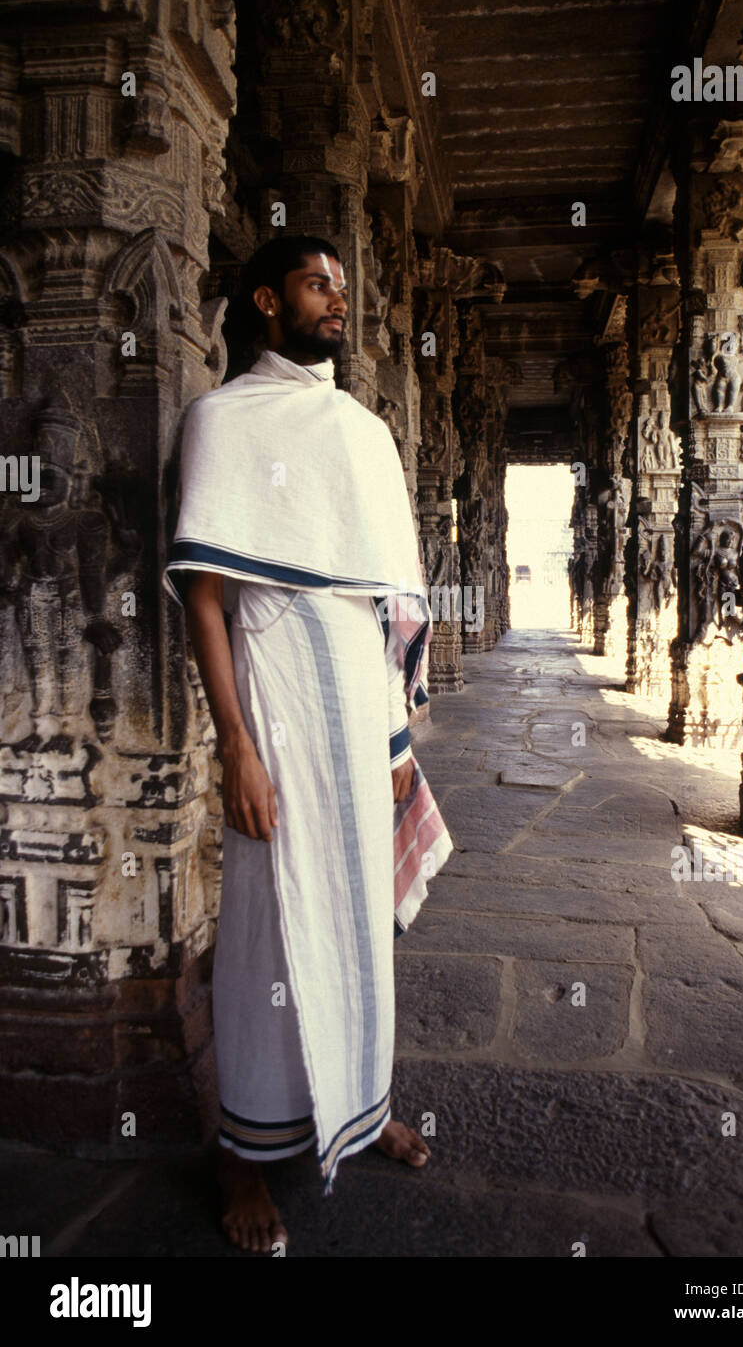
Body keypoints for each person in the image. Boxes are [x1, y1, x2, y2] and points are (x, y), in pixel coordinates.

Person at [163, 235, 453, 1252]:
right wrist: (235, 744)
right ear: (264, 300)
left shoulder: (361, 431)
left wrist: (396, 736)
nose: (338, 298)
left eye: (340, 284)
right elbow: (207, 597)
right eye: (316, 283)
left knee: (360, 920)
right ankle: (243, 1159)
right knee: (265, 927)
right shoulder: (220, 420)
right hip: (274, 695)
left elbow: (381, 599)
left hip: (356, 698)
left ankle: (360, 1108)